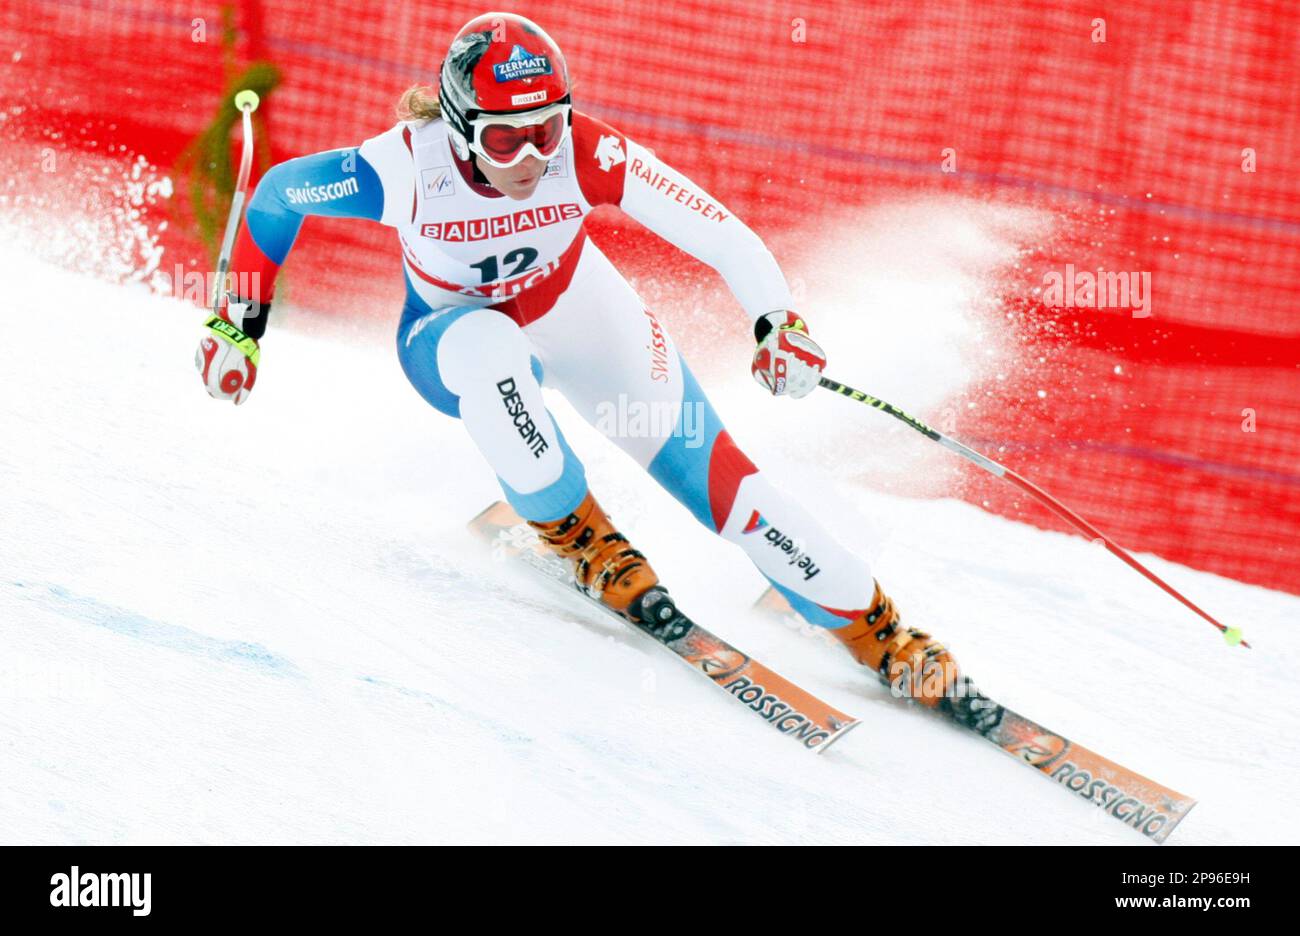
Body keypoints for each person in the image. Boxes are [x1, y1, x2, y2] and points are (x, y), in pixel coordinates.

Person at [196, 12, 959, 705]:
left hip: (580, 311)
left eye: (547, 130)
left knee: (727, 486)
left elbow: (716, 229)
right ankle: (580, 536)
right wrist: (240, 326)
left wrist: (776, 319)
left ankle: (877, 630)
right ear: (459, 128)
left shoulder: (586, 151)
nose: (530, 157)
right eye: (504, 139)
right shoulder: (402, 168)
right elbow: (276, 194)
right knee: (492, 351)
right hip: (451, 337)